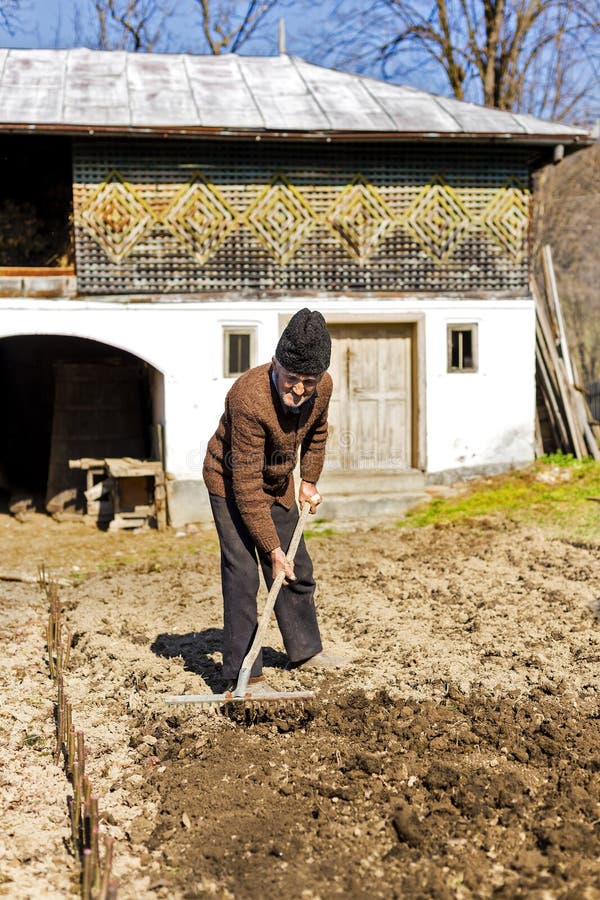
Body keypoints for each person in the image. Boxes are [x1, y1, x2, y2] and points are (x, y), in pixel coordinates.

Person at [203, 308, 347, 697]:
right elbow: (247, 486)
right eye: (291, 378)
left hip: (278, 479)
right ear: (275, 364)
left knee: (296, 567)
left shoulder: (323, 387)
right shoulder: (248, 398)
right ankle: (244, 675)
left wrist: (309, 481)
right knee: (243, 573)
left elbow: (317, 433)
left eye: (308, 382)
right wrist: (271, 548)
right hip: (231, 481)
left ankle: (306, 650)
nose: (299, 390)